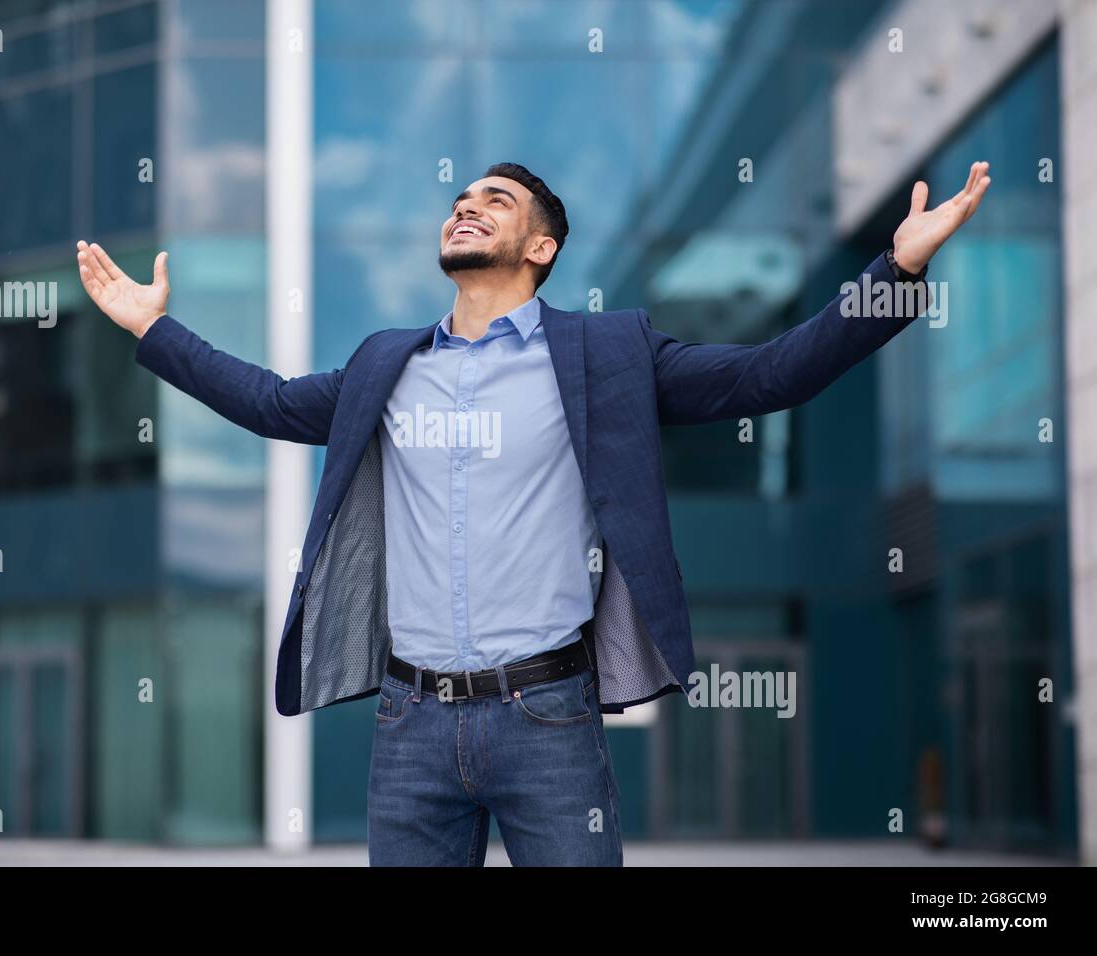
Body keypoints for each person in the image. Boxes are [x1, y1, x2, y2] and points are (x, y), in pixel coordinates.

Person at [76, 160, 991, 866]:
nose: (468, 206)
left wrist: (894, 271)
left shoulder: (607, 354)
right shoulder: (386, 367)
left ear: (542, 248)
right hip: (409, 726)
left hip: (548, 719)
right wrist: (153, 330)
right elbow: (269, 403)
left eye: (498, 201)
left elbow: (770, 374)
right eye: (462, 198)